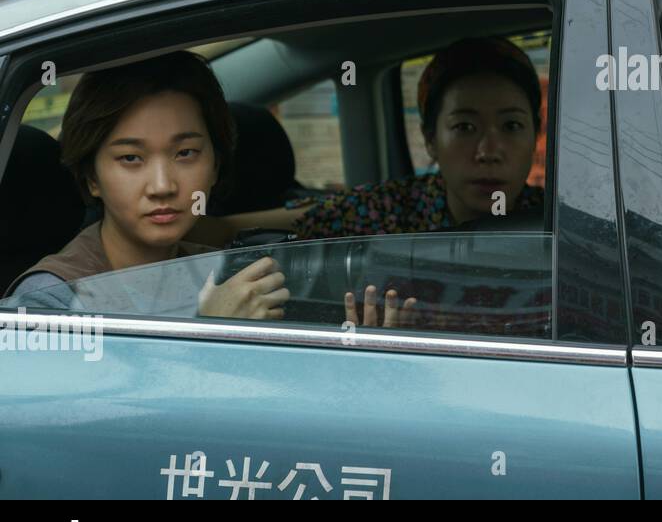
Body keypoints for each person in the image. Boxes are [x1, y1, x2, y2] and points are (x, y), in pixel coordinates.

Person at [199, 36, 546, 326]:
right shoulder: (383, 212)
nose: (488, 150)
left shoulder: (561, 224)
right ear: (430, 139)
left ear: (535, 135)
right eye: (464, 127)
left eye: (511, 126)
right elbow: (222, 232)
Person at [4, 51, 288, 320]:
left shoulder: (222, 273)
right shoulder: (50, 299)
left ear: (215, 165)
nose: (162, 186)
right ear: (92, 178)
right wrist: (210, 328)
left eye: (185, 153)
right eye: (130, 158)